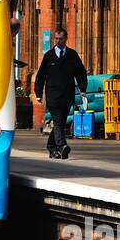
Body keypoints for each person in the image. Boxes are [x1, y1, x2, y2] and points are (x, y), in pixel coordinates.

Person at [34, 27, 88, 160]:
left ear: (65, 39)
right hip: (53, 96)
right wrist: (38, 93)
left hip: (67, 96)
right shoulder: (49, 56)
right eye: (56, 39)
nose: (58, 41)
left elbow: (81, 73)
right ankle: (62, 146)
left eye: (60, 39)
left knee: (60, 123)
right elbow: (40, 76)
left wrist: (82, 90)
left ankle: (51, 148)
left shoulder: (72, 55)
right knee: (58, 120)